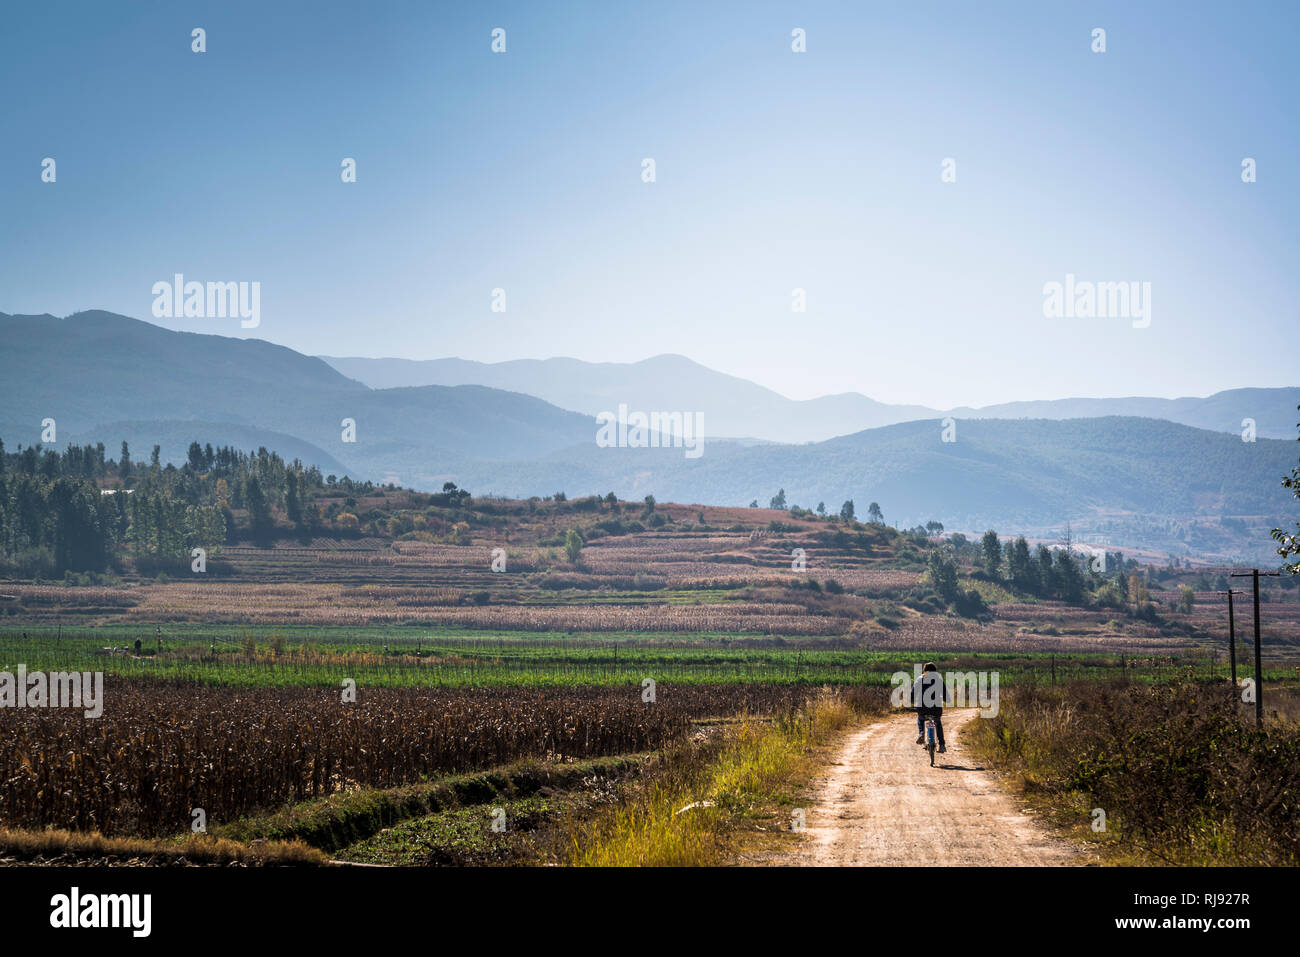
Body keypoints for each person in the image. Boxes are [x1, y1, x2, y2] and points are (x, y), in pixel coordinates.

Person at [912, 661, 947, 753]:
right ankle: (942, 745)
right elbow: (945, 694)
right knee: (937, 722)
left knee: (920, 719)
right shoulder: (938, 680)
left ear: (924, 670)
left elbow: (913, 693)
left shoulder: (919, 679)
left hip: (922, 707)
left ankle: (921, 733)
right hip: (936, 708)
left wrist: (911, 701)